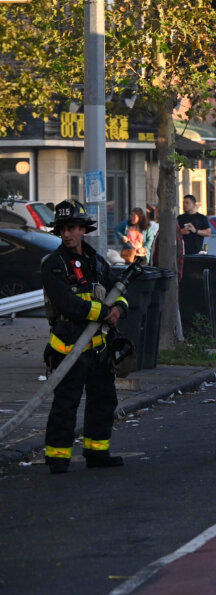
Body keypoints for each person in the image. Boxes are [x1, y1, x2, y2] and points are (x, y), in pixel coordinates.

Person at [40, 200, 129, 473]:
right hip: (68, 347)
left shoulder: (96, 261)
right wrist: (104, 312)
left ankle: (97, 453)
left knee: (103, 400)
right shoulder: (53, 264)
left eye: (72, 228)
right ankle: (57, 458)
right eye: (63, 229)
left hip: (99, 349)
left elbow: (118, 288)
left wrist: (119, 309)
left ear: (82, 229)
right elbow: (68, 304)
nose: (67, 234)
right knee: (66, 403)